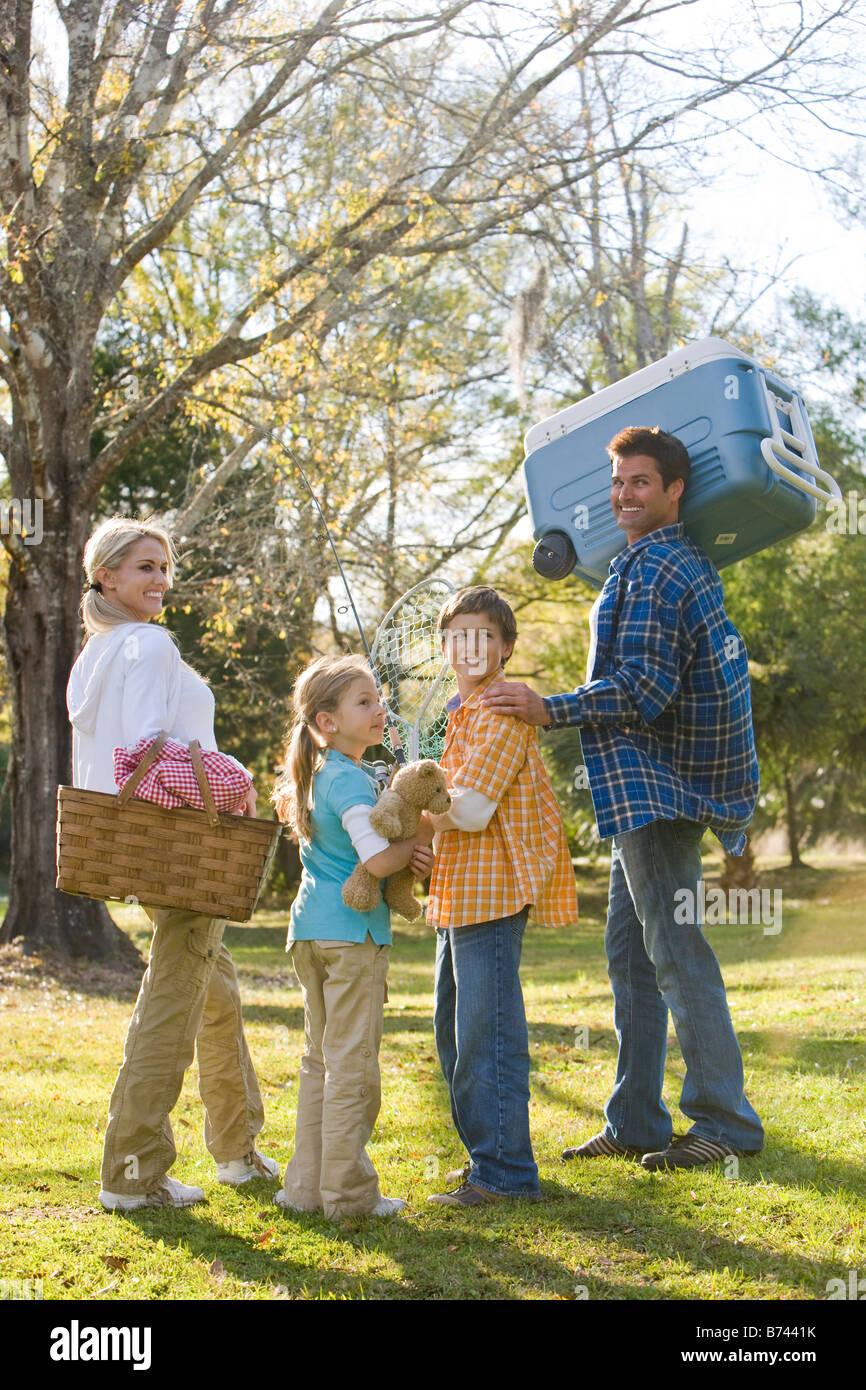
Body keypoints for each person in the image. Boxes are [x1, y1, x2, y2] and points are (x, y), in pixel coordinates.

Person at [483, 427, 764, 1172]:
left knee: (674, 953)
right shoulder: (645, 563)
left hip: (657, 788)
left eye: (640, 482)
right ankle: (636, 1117)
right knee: (631, 957)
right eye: (617, 482)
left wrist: (552, 707)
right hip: (641, 788)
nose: (624, 495)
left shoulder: (661, 569)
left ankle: (725, 1122)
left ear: (675, 490)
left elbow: (646, 687)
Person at [66, 517, 278, 1211]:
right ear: (107, 577)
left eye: (164, 566)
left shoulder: (99, 650)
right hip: (181, 838)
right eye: (143, 567)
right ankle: (132, 1173)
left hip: (132, 838)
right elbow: (148, 751)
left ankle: (236, 1149)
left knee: (213, 983)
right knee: (177, 988)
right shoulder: (151, 644)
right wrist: (236, 782)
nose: (160, 579)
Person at [424, 586, 579, 1208]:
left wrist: (413, 795)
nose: (469, 646)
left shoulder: (502, 713)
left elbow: (471, 810)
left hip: (492, 890)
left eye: (482, 635)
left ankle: (506, 1173)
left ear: (505, 647)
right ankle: (486, 1160)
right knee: (454, 1032)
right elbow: (446, 809)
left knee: (486, 1034)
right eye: (457, 636)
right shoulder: (463, 716)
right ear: (444, 648)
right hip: (458, 890)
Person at [272, 654, 434, 1220]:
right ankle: (349, 1196)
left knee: (320, 1060)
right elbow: (375, 859)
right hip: (351, 939)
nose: (379, 709)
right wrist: (420, 840)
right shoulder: (347, 782)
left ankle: (305, 1189)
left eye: (378, 699)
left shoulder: (322, 775)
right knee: (353, 1065)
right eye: (363, 702)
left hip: (309, 934)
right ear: (326, 721)